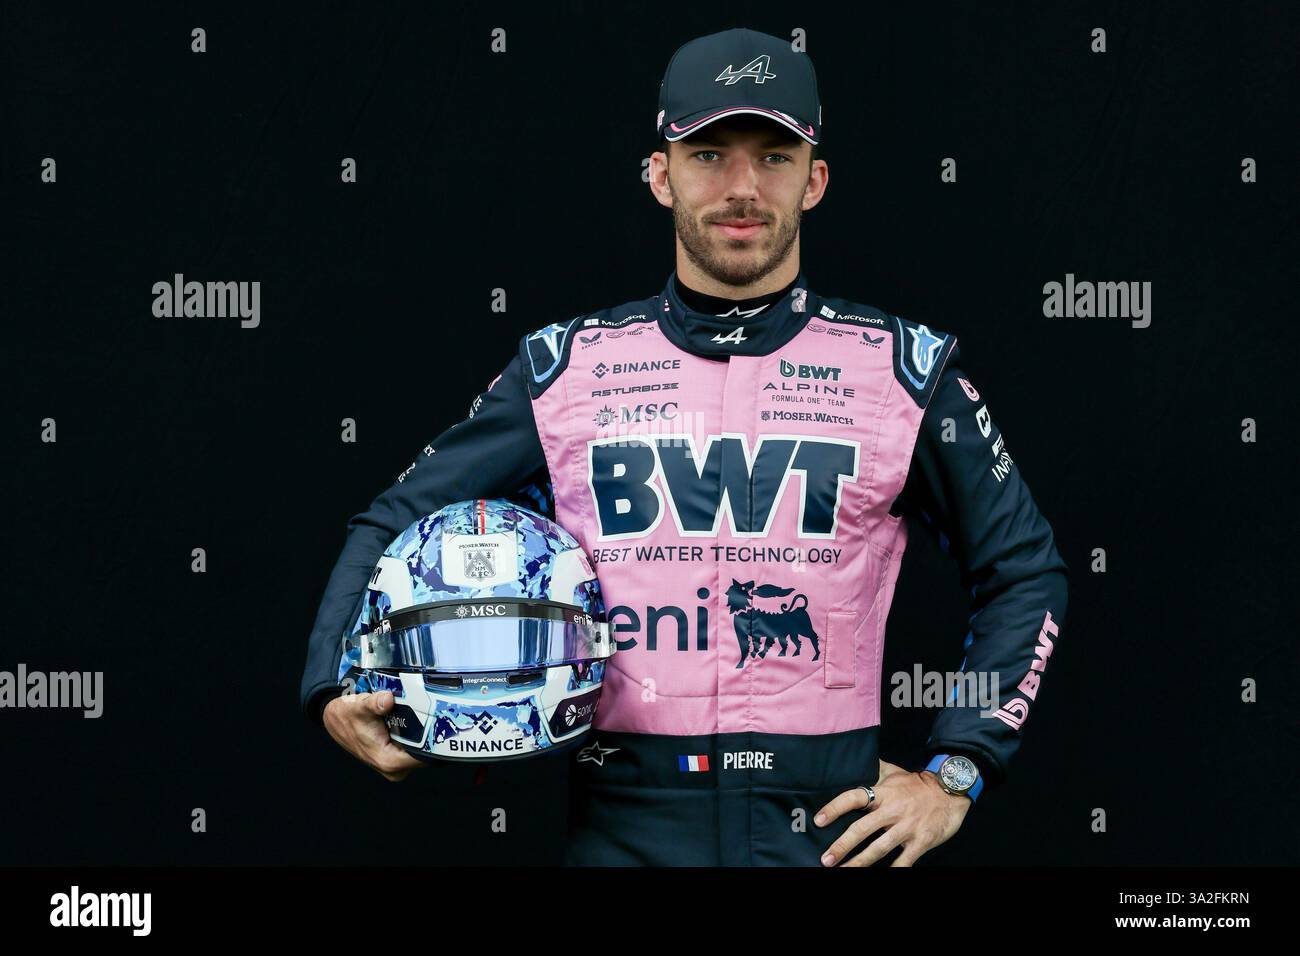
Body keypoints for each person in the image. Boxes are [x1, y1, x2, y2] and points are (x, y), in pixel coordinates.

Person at [300, 27, 1069, 867]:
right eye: (708, 154)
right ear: (661, 176)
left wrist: (957, 768)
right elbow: (396, 519)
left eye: (774, 156)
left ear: (814, 181)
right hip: (623, 824)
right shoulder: (566, 369)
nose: (741, 187)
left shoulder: (902, 369)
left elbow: (1024, 571)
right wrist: (336, 681)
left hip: (831, 833)